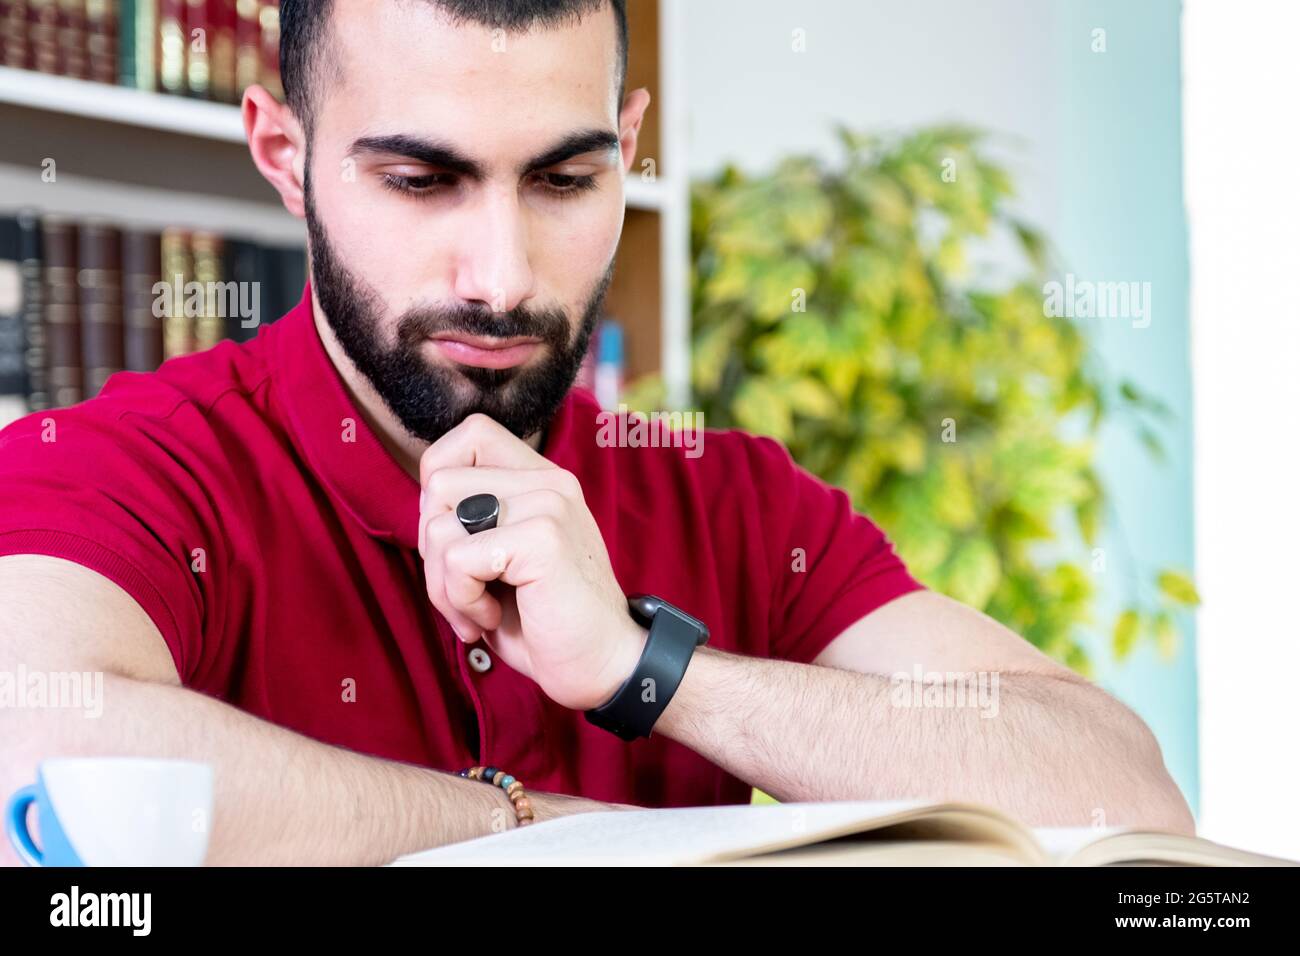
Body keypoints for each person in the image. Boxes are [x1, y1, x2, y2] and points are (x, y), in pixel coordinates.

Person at [0, 0, 1193, 866]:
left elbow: (1113, 787)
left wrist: (645, 669)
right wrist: (540, 831)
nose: (501, 277)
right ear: (285, 156)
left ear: (627, 147)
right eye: (420, 181)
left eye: (565, 181)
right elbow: (32, 744)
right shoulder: (130, 467)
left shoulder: (727, 494)